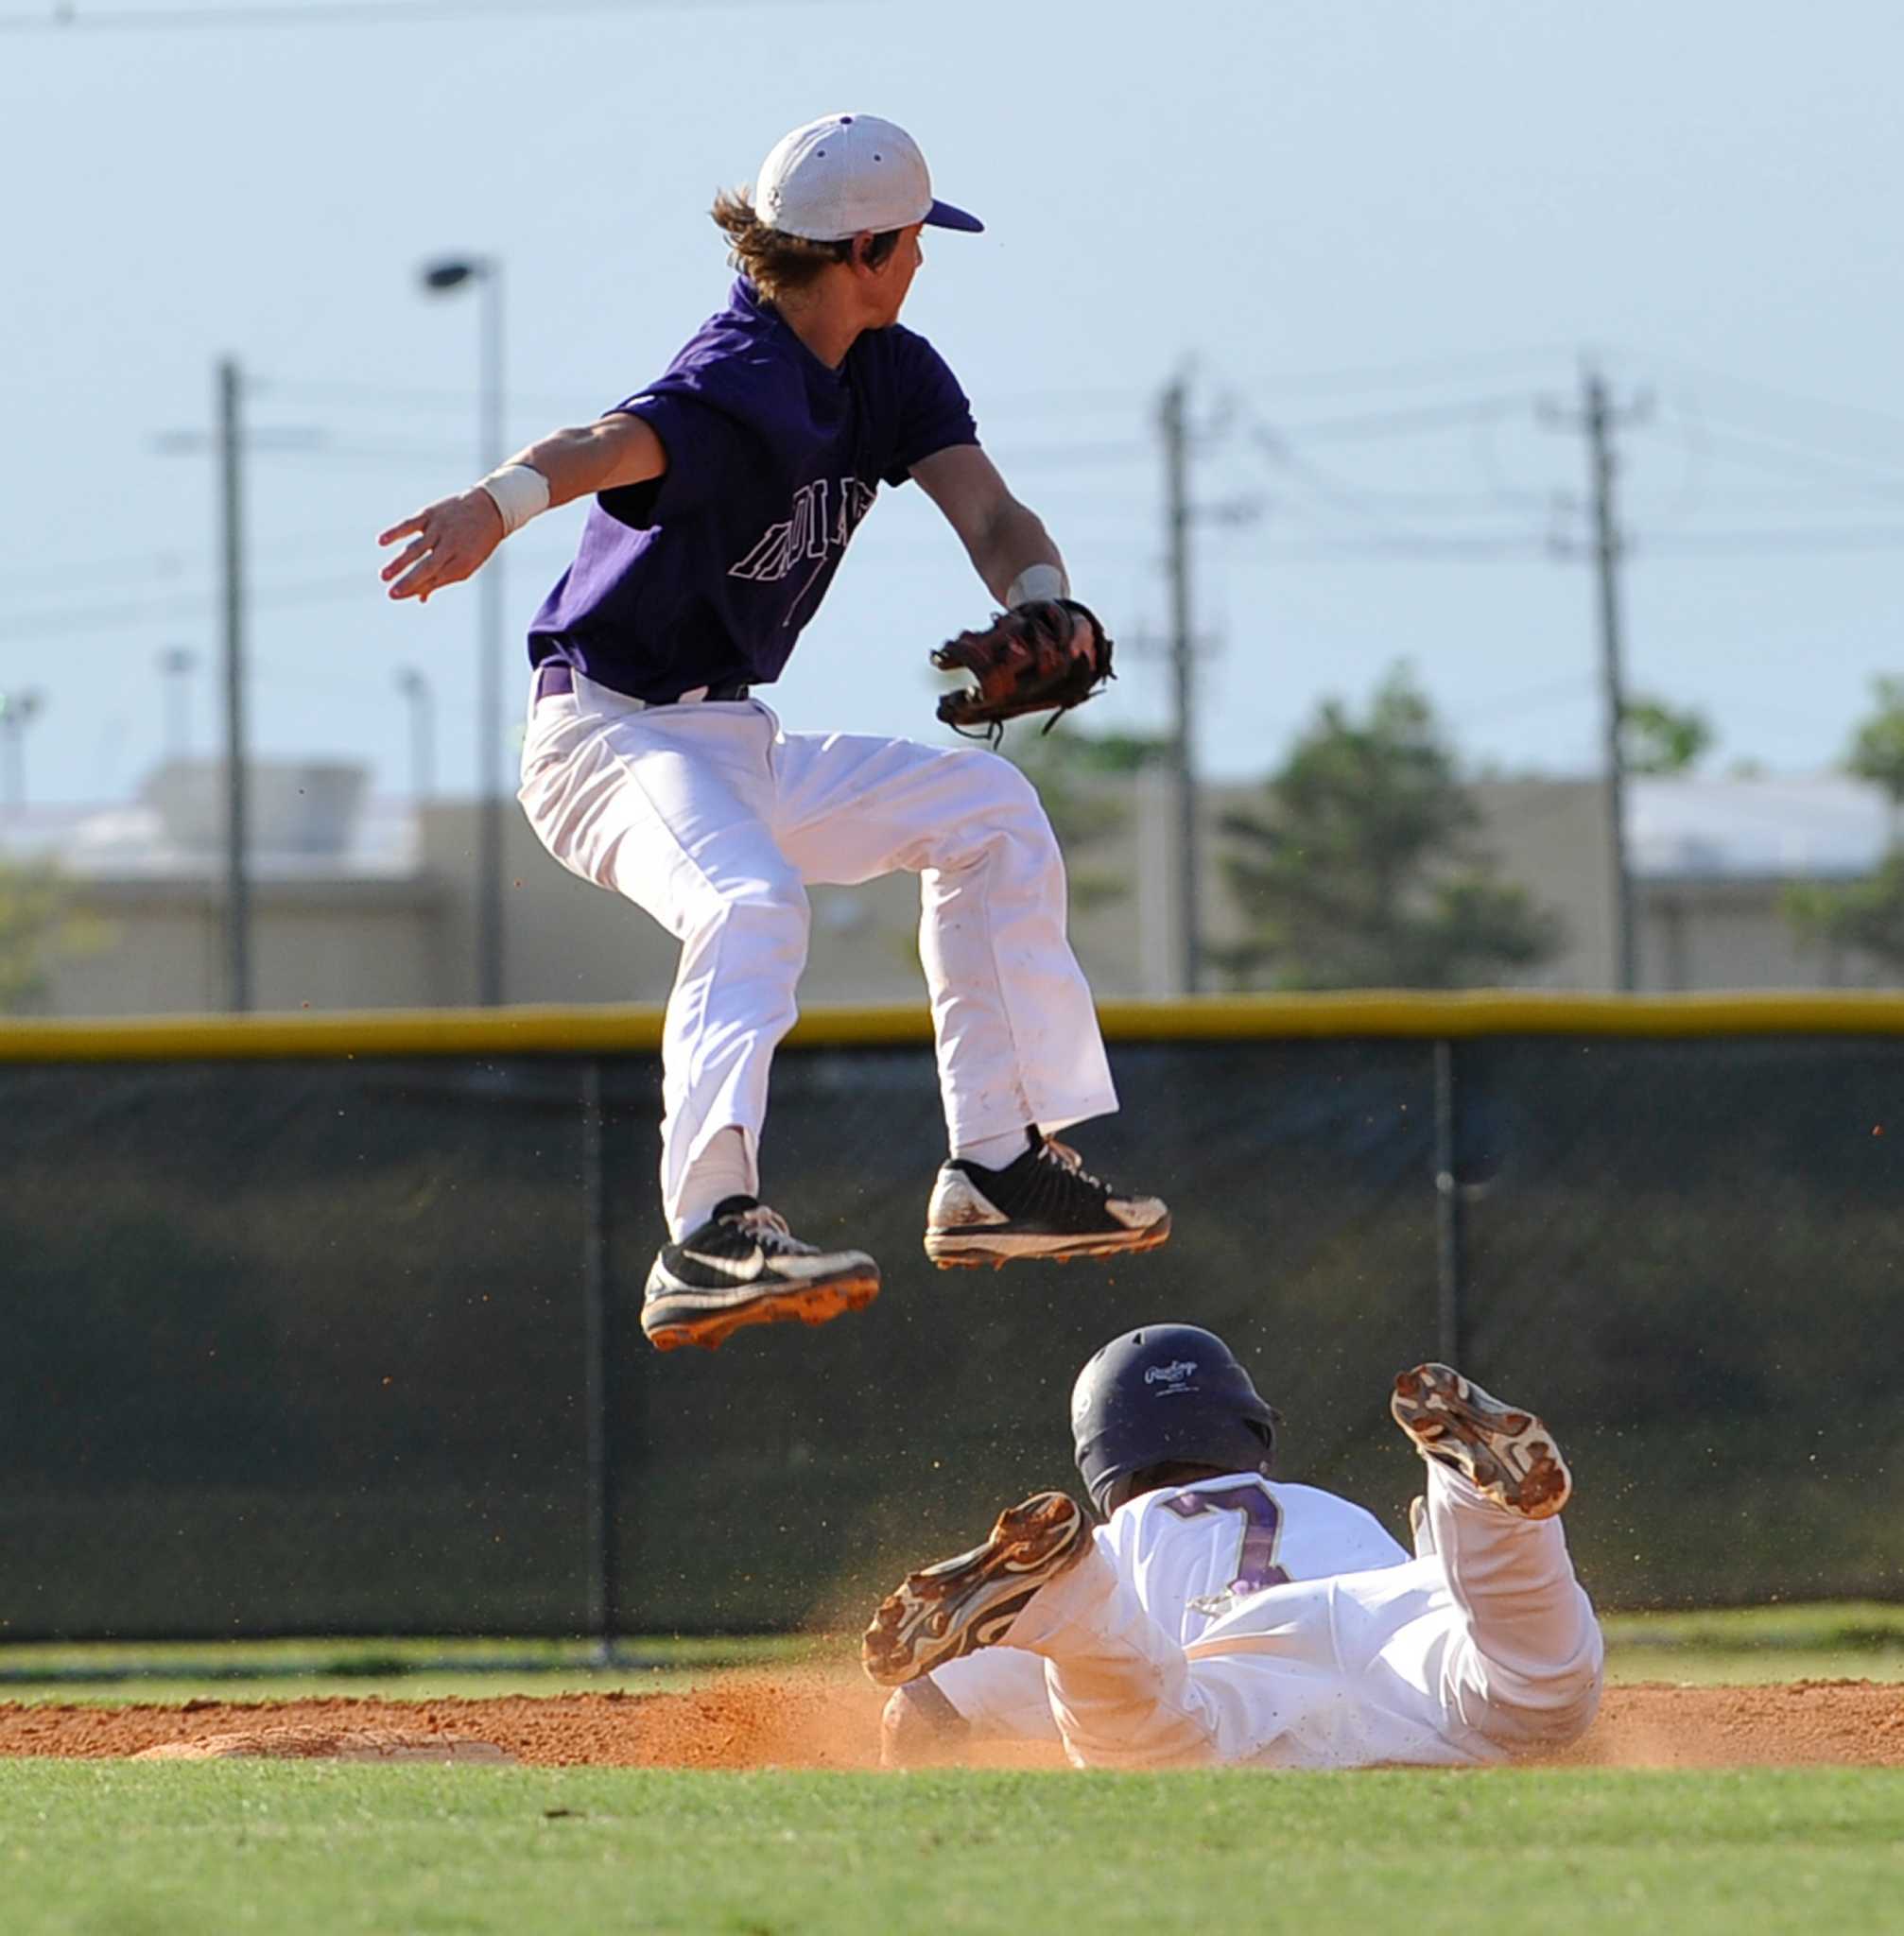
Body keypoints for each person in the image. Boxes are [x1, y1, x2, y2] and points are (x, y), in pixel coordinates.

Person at [377, 113, 1169, 1353]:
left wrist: (1041, 607)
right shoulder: (736, 375)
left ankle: (999, 1166)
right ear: (865, 247)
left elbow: (991, 512)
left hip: (729, 743)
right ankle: (705, 1232)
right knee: (748, 904)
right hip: (604, 740)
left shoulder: (893, 373)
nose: (922, 262)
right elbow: (602, 443)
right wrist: (494, 503)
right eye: (913, 242)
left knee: (988, 813)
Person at [864, 1325, 1604, 1771]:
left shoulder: (1123, 1539)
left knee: (1140, 1730)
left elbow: (922, 1712)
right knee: (1530, 1686)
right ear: (1249, 1428)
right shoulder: (1328, 1510)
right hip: (1391, 1647)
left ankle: (1060, 1598)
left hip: (1231, 1693)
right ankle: (1483, 1511)